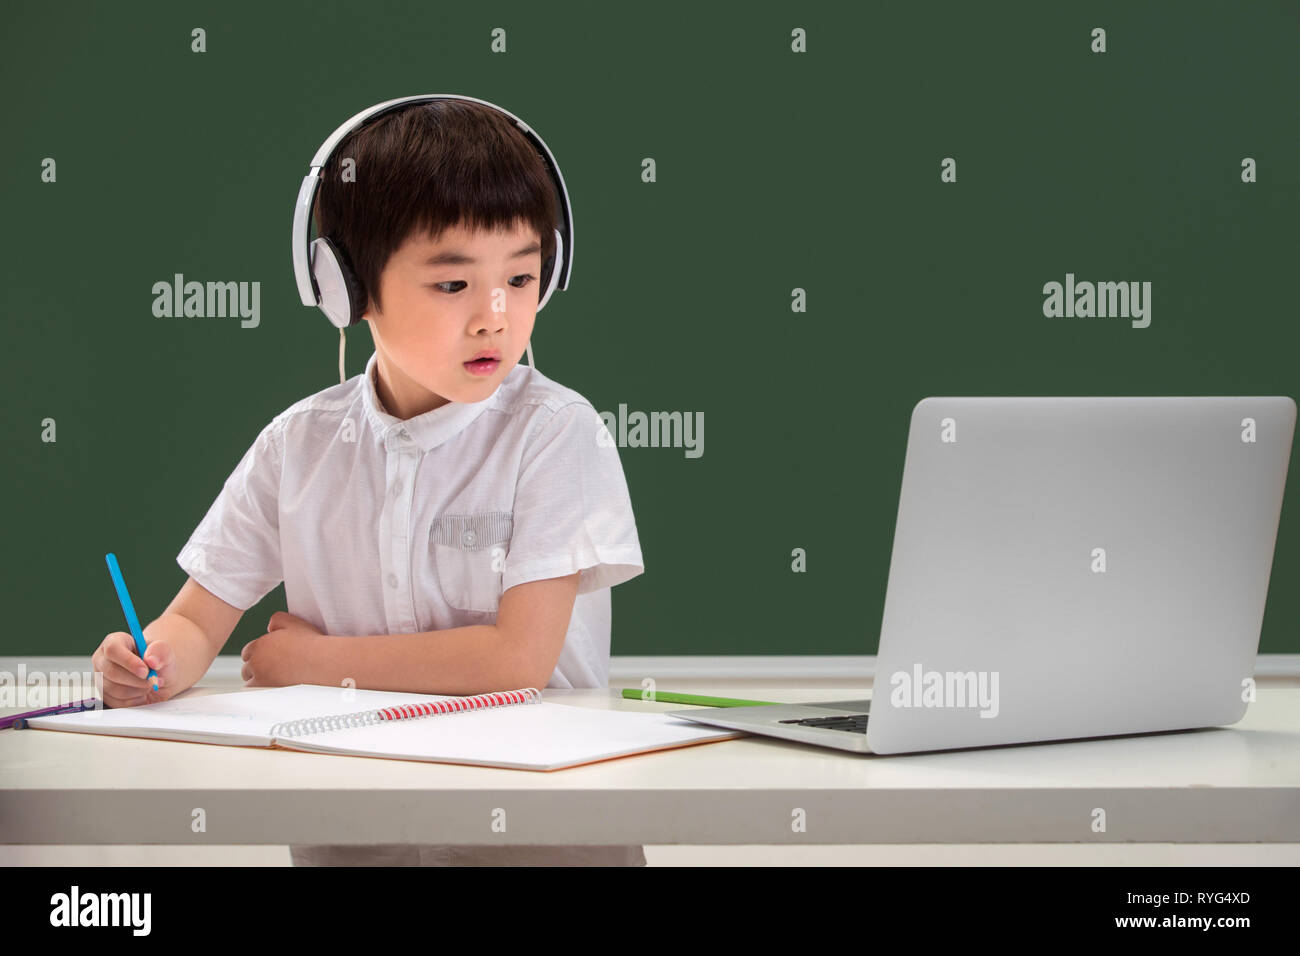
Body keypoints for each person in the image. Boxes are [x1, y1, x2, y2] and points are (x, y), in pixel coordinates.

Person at [90, 99, 646, 866]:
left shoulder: (557, 431)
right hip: (354, 831)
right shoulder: (300, 444)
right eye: (453, 285)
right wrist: (148, 666)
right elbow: (193, 621)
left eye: (521, 277)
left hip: (532, 832)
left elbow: (516, 660)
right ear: (344, 287)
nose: (496, 316)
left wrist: (318, 665)